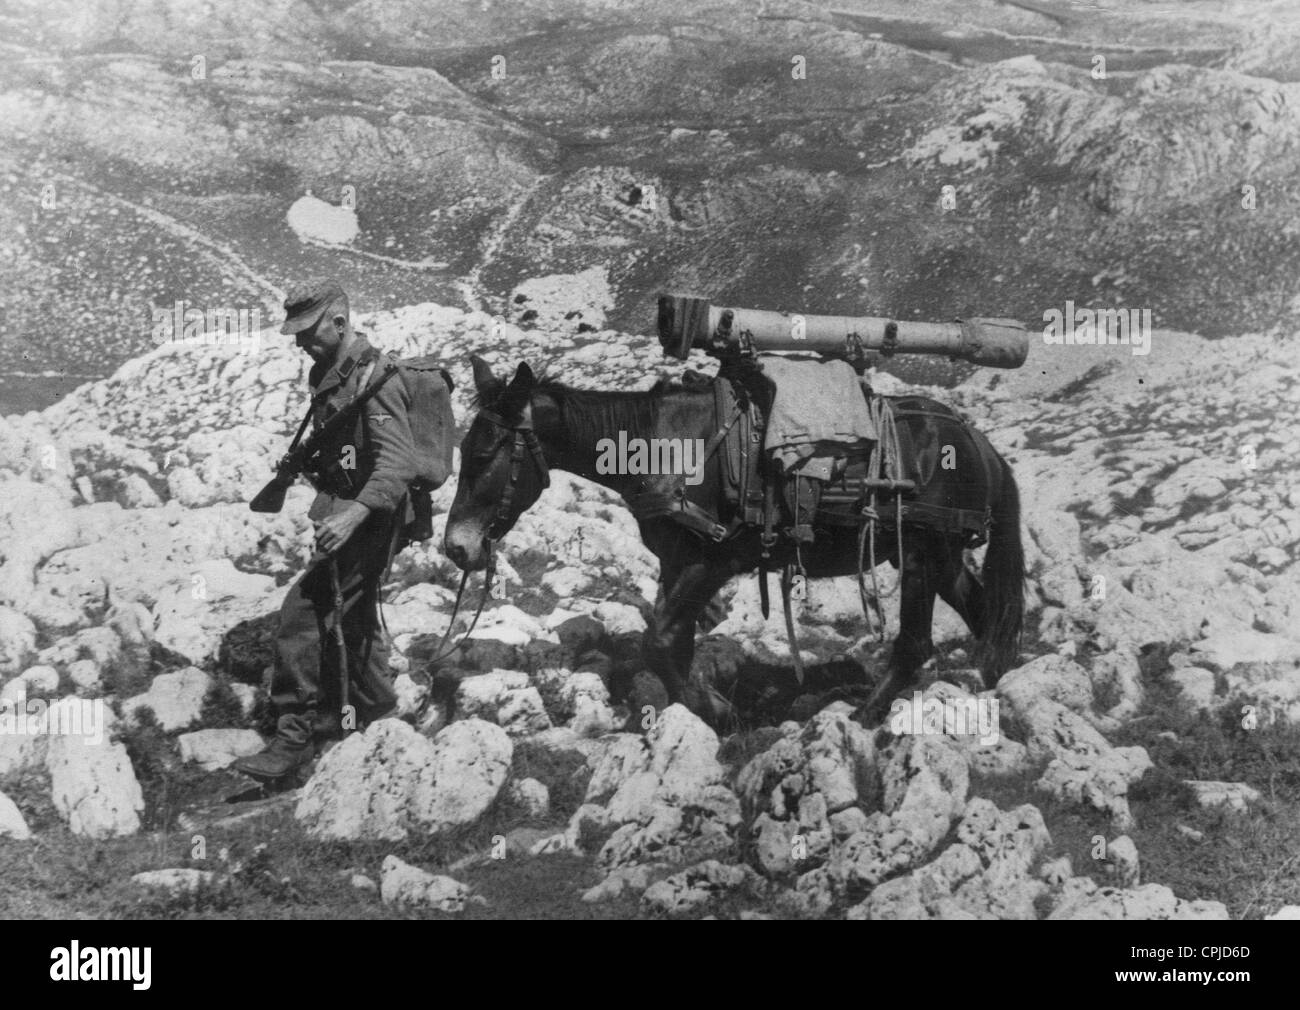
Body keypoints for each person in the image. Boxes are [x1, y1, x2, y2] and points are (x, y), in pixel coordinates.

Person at [234, 279, 418, 780]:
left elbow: (396, 465)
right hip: (350, 509)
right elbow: (349, 451)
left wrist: (353, 514)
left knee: (304, 611)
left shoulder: (377, 379)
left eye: (308, 332)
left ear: (339, 322)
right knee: (353, 618)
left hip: (375, 516)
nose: (299, 342)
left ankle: (294, 740)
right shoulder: (330, 373)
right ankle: (378, 713)